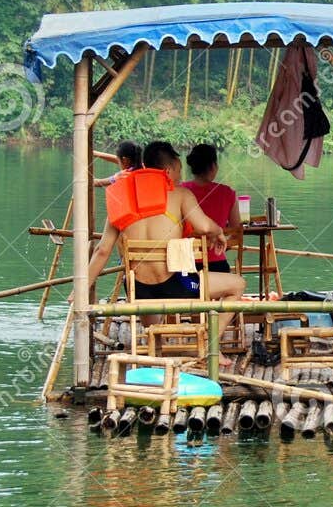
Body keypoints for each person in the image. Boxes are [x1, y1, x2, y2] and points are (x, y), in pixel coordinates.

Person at [87, 140, 246, 358]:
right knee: (237, 285)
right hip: (177, 284)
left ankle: (157, 352)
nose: (181, 177)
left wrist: (80, 289)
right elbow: (204, 226)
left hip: (138, 289)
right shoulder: (181, 195)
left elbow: (102, 251)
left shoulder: (120, 199)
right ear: (168, 170)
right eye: (179, 170)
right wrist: (218, 230)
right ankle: (209, 348)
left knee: (154, 332)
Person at [180, 143, 240, 273]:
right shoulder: (228, 193)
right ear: (213, 166)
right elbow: (236, 233)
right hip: (217, 265)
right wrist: (221, 243)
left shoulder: (180, 191)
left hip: (185, 265)